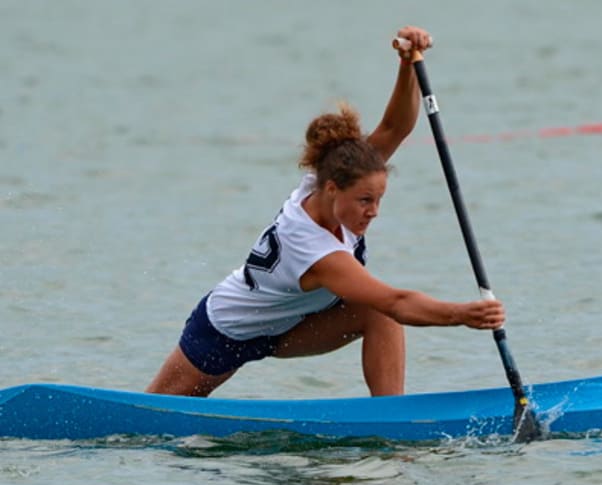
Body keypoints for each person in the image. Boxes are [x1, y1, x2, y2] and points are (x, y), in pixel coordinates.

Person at [146, 26, 505, 398]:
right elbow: (397, 301)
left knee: (374, 314)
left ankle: (391, 418)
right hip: (223, 333)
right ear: (333, 190)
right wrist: (460, 315)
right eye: (366, 200)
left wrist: (406, 64)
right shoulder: (312, 247)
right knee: (149, 419)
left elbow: (396, 127)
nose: (374, 212)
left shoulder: (334, 174)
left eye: (379, 199)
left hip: (289, 327)